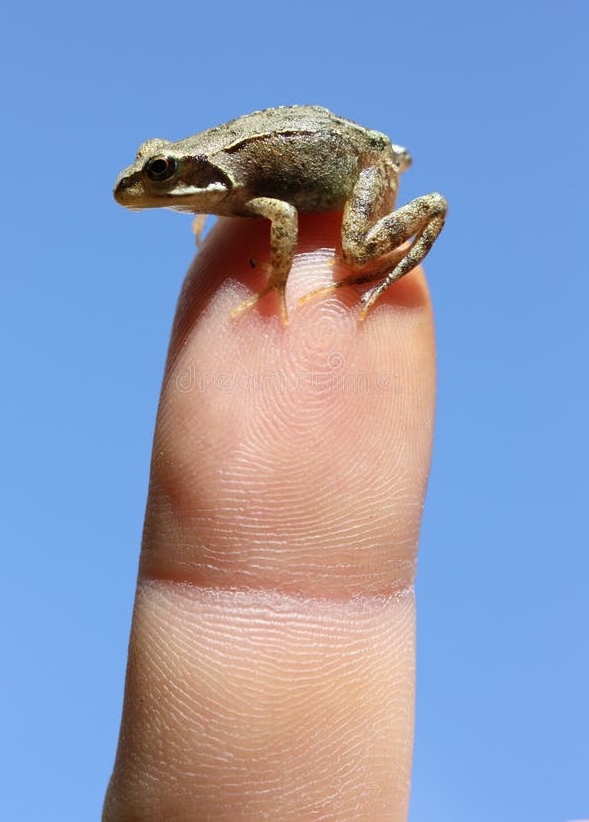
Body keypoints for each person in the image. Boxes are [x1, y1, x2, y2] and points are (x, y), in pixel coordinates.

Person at [103, 212, 436, 821]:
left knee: (354, 251)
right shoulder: (229, 190)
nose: (140, 190)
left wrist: (276, 280)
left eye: (161, 173)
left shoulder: (247, 192)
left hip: (344, 164)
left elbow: (283, 214)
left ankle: (385, 276)